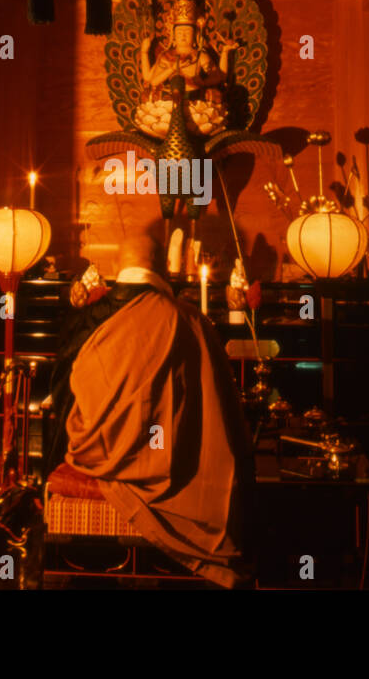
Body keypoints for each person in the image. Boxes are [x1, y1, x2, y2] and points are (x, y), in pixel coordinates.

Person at [46, 232, 255, 588]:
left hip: (98, 455)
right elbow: (221, 407)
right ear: (163, 267)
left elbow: (62, 401)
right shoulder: (191, 322)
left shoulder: (87, 319)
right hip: (175, 464)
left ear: (118, 267)